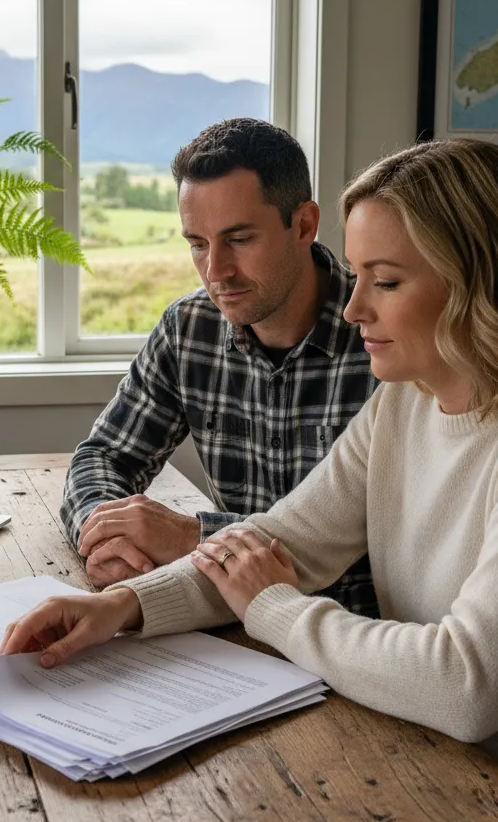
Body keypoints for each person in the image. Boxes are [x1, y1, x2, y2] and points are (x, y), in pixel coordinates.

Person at [3, 138, 498, 822]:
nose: (352, 307)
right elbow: (281, 542)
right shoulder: (407, 400)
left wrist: (275, 610)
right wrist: (122, 607)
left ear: (479, 280)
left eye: (383, 281)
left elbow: (467, 685)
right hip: (441, 771)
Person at [61, 118, 378, 617]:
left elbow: (363, 564)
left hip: (350, 645)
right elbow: (105, 456)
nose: (216, 271)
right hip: (223, 627)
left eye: (239, 239)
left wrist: (194, 537)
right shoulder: (190, 329)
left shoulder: (383, 339)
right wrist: (103, 533)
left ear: (303, 225)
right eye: (198, 243)